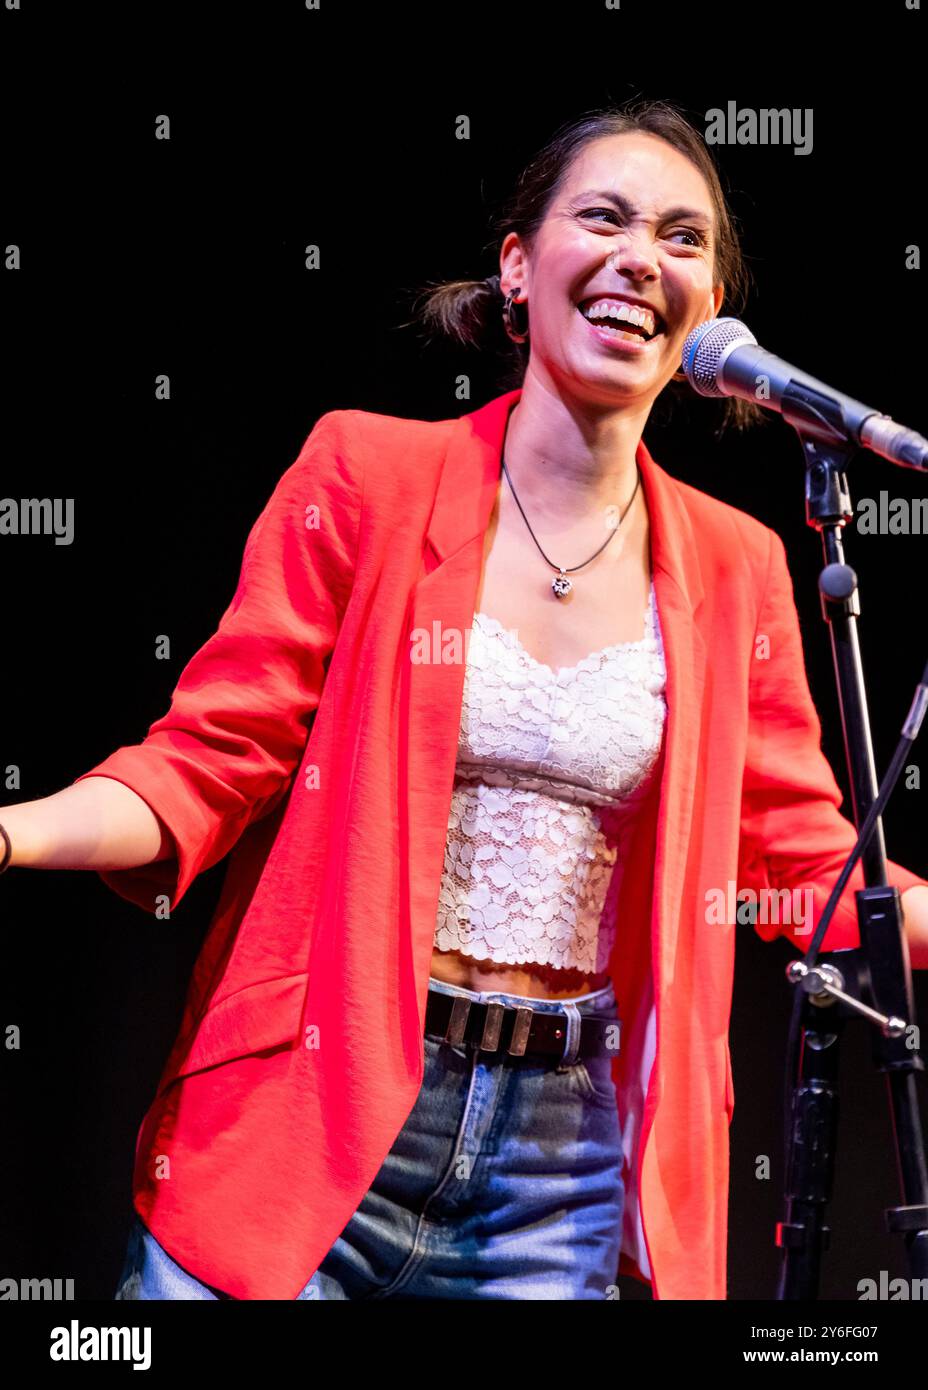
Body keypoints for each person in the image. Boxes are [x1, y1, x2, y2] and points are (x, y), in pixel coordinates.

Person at [3, 100, 927, 1302]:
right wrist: (16, 832)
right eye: (601, 217)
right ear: (516, 265)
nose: (641, 256)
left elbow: (805, 861)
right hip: (317, 1105)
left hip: (566, 1164)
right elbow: (212, 756)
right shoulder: (368, 474)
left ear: (713, 308)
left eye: (683, 237)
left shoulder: (738, 564)